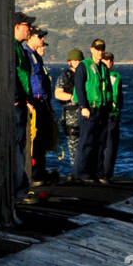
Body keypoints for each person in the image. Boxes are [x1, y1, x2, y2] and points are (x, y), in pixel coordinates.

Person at [72, 38, 112, 183]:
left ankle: (98, 173)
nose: (100, 52)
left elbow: (107, 89)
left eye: (102, 49)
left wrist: (108, 107)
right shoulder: (84, 66)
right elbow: (79, 87)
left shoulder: (103, 68)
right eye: (97, 49)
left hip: (101, 109)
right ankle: (81, 173)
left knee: (100, 143)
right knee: (86, 142)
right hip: (89, 108)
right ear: (92, 50)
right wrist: (83, 106)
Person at [26, 26, 56, 184]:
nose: (42, 40)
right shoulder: (27, 55)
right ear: (30, 37)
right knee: (35, 139)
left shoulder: (36, 57)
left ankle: (40, 171)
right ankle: (34, 173)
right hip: (35, 101)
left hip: (42, 101)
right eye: (39, 36)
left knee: (42, 140)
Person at [13, 10, 35, 199]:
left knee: (19, 146)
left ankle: (20, 187)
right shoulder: (12, 48)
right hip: (15, 104)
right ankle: (18, 190)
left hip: (20, 102)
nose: (31, 29)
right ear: (17, 26)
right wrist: (15, 97)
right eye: (27, 26)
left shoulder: (20, 48)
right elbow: (12, 73)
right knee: (16, 147)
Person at [55, 47, 84, 179]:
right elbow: (57, 93)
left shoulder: (85, 74)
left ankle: (83, 171)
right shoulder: (65, 76)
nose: (77, 62)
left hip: (84, 112)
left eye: (79, 60)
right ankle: (75, 171)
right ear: (70, 62)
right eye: (75, 60)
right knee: (73, 144)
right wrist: (72, 97)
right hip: (71, 113)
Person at [101, 52, 123, 181]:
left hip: (111, 114)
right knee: (108, 145)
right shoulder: (113, 76)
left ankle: (106, 173)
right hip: (106, 114)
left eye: (110, 60)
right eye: (106, 60)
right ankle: (104, 173)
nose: (109, 62)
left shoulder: (115, 76)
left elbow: (119, 97)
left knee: (110, 145)